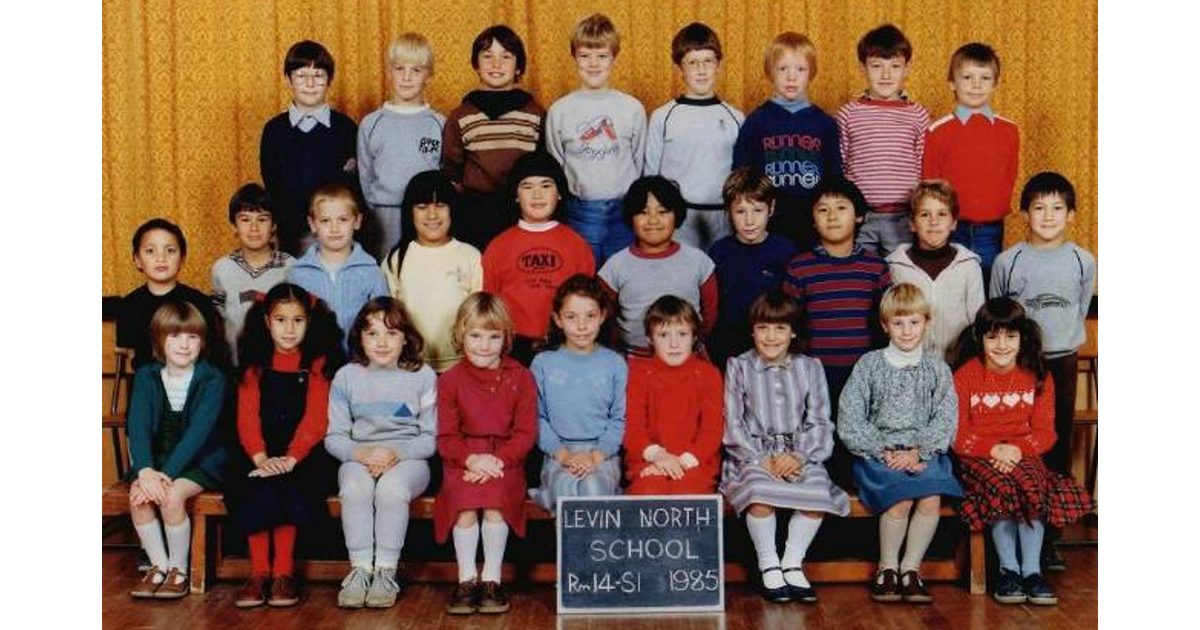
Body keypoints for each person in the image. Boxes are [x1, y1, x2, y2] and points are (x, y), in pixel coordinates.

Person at [948, 297, 1093, 606]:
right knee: (1002, 487)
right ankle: (1008, 570)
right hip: (979, 457)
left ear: (1022, 338)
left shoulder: (1038, 375)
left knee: (1032, 484)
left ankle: (1031, 571)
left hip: (1022, 453)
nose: (1002, 345)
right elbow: (957, 435)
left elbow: (1046, 433)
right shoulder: (965, 377)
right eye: (993, 336)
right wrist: (993, 450)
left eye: (1010, 336)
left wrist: (1015, 449)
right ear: (980, 338)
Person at [989, 171, 1096, 571]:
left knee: (1056, 448)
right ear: (1024, 214)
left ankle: (1048, 539)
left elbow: (1079, 308)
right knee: (1015, 444)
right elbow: (998, 312)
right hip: (1017, 363)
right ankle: (1010, 537)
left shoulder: (1083, 261)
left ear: (1071, 215)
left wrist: (1061, 340)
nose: (1048, 216)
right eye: (1038, 208)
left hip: (1062, 361)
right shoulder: (1008, 260)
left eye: (1057, 208)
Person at [837, 283, 963, 605]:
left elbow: (945, 418)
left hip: (924, 452)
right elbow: (850, 419)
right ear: (885, 325)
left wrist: (918, 452)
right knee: (901, 499)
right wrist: (885, 452)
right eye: (898, 323)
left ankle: (911, 569)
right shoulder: (869, 365)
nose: (906, 331)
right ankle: (887, 569)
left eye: (914, 322)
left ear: (927, 322)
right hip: (878, 455)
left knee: (930, 497)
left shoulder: (937, 368)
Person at [721, 291, 849, 604]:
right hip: (751, 454)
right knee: (759, 493)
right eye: (763, 328)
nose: (771, 336)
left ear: (793, 332)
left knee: (816, 493)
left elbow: (820, 420)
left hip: (799, 453)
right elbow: (733, 422)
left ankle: (792, 562)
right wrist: (760, 458)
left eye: (780, 328)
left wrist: (799, 456)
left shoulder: (810, 367)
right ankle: (769, 565)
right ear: (752, 331)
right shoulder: (739, 366)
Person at [227, 283, 346, 608]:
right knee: (256, 486)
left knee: (288, 484)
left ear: (310, 321)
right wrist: (261, 457)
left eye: (298, 320)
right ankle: (259, 573)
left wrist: (291, 458)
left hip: (304, 451)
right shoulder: (254, 362)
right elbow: (247, 417)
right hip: (258, 449)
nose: (289, 329)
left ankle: (283, 573)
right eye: (281, 320)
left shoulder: (319, 363)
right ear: (267, 322)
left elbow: (316, 419)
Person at [325, 298, 437, 608]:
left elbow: (430, 438)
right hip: (359, 457)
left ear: (406, 338)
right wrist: (360, 454)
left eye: (391, 333)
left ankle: (386, 571)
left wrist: (394, 454)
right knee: (354, 488)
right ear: (359, 337)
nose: (382, 342)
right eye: (372, 333)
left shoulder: (423, 376)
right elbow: (334, 437)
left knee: (391, 490)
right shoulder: (346, 376)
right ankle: (360, 569)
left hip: (409, 460)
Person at [782, 175, 890, 485]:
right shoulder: (800, 268)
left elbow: (887, 327)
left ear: (858, 216)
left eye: (841, 208)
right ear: (813, 220)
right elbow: (790, 326)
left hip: (862, 377)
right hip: (815, 377)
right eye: (823, 210)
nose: (832, 216)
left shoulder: (875, 268)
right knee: (820, 450)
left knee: (856, 452)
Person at [435, 293, 537, 615]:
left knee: (495, 502)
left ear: (506, 338)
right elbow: (447, 437)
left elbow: (525, 433)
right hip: (462, 460)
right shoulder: (450, 380)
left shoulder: (520, 376)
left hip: (506, 459)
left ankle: (491, 579)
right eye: (475, 336)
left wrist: (497, 460)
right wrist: (472, 459)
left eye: (494, 337)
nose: (484, 345)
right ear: (460, 335)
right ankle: (467, 579)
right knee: (464, 504)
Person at [126, 302, 227, 600]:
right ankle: (157, 566)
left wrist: (163, 477)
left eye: (192, 337)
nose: (184, 344)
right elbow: (139, 426)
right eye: (174, 336)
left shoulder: (212, 379)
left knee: (170, 497)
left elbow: (198, 435)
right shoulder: (147, 375)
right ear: (159, 340)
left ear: (203, 342)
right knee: (138, 498)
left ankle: (178, 570)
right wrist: (145, 472)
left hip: (201, 458)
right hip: (155, 459)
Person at [544, 13, 646, 266]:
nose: (593, 64)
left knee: (622, 279)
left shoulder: (632, 108)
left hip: (624, 211)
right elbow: (556, 163)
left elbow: (640, 160)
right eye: (585, 56)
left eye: (602, 56)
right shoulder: (560, 110)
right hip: (579, 212)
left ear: (614, 58)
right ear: (574, 57)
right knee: (583, 279)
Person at [482, 152, 595, 365]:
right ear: (515, 195)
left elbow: (588, 304)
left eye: (546, 185)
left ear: (560, 193)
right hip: (513, 349)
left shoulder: (577, 245)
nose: (537, 195)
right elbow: (489, 305)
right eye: (527, 186)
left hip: (565, 345)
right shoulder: (498, 247)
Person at [734, 31, 841, 251]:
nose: (791, 77)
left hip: (812, 223)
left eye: (800, 69)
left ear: (811, 73)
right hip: (767, 225)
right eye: (783, 69)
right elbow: (741, 177)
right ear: (770, 72)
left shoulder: (825, 124)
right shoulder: (756, 121)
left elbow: (835, 179)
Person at [441, 25, 545, 251]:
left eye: (505, 57)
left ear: (519, 67)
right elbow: (451, 171)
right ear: (476, 65)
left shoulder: (534, 113)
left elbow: (544, 166)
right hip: (475, 215)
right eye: (487, 56)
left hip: (523, 211)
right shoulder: (462, 115)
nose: (496, 64)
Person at [528, 275, 627, 511]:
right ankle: (551, 503)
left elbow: (620, 419)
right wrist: (564, 456)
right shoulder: (543, 363)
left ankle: (595, 548)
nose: (581, 326)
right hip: (558, 453)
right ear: (558, 319)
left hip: (603, 454)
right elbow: (536, 418)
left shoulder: (614, 363)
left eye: (590, 316)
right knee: (565, 492)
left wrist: (595, 456)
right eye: (571, 317)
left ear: (602, 316)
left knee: (593, 489)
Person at [921, 42, 1019, 280]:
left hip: (991, 226)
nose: (976, 84)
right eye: (967, 77)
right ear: (952, 83)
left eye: (985, 78)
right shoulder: (938, 131)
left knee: (987, 282)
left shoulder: (1009, 130)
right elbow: (930, 183)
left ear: (996, 83)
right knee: (951, 282)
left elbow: (1009, 174)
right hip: (950, 227)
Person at [645, 22, 745, 252]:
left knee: (719, 279)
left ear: (718, 65)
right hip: (680, 218)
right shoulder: (663, 116)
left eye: (708, 61)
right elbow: (650, 175)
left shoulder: (735, 117)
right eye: (692, 62)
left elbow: (742, 177)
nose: (701, 70)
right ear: (680, 68)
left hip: (723, 217)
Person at [837, 24, 930, 256]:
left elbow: (922, 165)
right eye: (877, 66)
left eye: (895, 66)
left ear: (907, 68)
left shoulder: (917, 114)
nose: (886, 75)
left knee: (901, 277)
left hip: (903, 217)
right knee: (859, 274)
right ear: (863, 68)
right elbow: (842, 165)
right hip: (861, 216)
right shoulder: (849, 113)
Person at [598, 176, 718, 354]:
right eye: (643, 212)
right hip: (634, 357)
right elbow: (607, 319)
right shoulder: (614, 267)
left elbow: (710, 315)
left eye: (662, 212)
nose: (653, 221)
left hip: (688, 355)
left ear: (676, 214)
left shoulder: (699, 262)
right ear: (630, 217)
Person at [259, 40, 359, 255]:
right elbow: (272, 187)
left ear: (330, 80)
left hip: (337, 236)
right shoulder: (274, 131)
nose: (310, 83)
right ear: (288, 80)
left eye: (318, 75)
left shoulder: (346, 128)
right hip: (290, 236)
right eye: (302, 76)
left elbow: (354, 189)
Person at [381, 170, 483, 372]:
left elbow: (480, 315)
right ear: (410, 213)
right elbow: (388, 317)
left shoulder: (470, 255)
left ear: (452, 209)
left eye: (440, 205)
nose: (432, 215)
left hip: (462, 364)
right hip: (411, 365)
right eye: (422, 207)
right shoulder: (396, 259)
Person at [357, 32, 446, 259]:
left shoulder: (440, 124)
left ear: (429, 75)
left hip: (428, 217)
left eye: (416, 70)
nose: (406, 77)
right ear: (388, 72)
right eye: (399, 69)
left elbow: (445, 175)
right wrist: (378, 212)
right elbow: (365, 179)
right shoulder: (371, 123)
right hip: (383, 218)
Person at [623, 296, 724, 495]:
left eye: (682, 334)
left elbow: (712, 431)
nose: (674, 343)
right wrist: (657, 456)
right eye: (663, 335)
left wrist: (682, 462)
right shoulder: (638, 374)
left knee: (687, 493)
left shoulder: (708, 374)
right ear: (650, 339)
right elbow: (632, 428)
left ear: (694, 336)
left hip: (696, 462)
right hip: (649, 460)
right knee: (649, 491)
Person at [707, 167, 798, 369]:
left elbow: (792, 305)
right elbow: (713, 305)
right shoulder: (719, 251)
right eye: (740, 211)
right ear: (728, 212)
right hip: (728, 345)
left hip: (772, 343)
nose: (749, 221)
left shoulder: (785, 250)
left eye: (758, 210)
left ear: (771, 208)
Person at [885, 180, 984, 359]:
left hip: (957, 365)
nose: (934, 222)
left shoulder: (969, 266)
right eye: (925, 215)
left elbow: (978, 323)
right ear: (912, 224)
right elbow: (890, 320)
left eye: (942, 214)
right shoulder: (895, 267)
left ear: (954, 223)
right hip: (909, 365)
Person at [118, 218, 226, 370]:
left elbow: (213, 357)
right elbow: (128, 360)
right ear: (137, 259)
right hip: (148, 388)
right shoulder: (129, 306)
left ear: (182, 258)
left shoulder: (200, 303)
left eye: (170, 250)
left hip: (193, 387)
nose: (161, 258)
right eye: (150, 251)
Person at [289, 183, 390, 345]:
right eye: (325, 221)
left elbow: (384, 321)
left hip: (361, 363)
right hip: (315, 363)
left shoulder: (371, 272)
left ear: (357, 221)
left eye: (343, 219)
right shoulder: (298, 274)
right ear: (313, 224)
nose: (334, 228)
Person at [211, 183, 295, 364]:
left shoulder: (292, 267)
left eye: (262, 219)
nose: (254, 228)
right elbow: (218, 323)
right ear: (234, 226)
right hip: (236, 367)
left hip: (281, 366)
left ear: (273, 226)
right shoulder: (222, 268)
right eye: (245, 219)